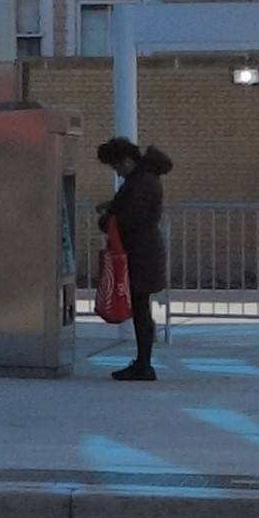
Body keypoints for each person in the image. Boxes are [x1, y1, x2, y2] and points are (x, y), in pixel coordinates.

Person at [90, 136, 173, 382]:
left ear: (126, 161)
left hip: (140, 253)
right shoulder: (144, 179)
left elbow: (131, 218)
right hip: (143, 251)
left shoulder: (141, 182)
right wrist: (113, 206)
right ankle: (142, 361)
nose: (116, 172)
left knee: (140, 307)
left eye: (116, 166)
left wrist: (106, 219)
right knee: (140, 307)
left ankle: (144, 364)